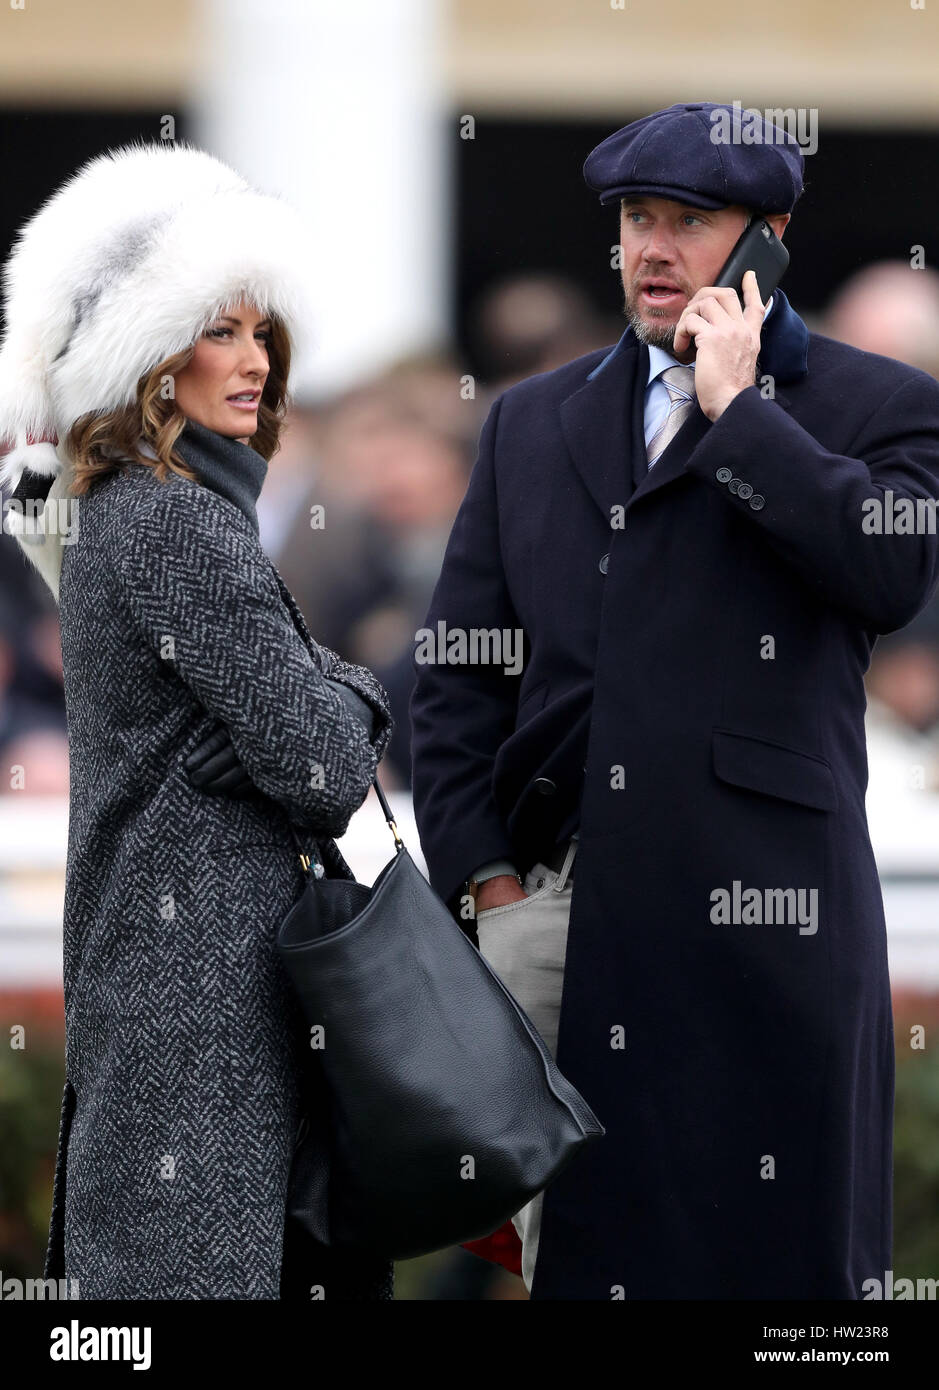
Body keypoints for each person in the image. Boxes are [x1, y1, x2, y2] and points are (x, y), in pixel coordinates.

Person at [409, 101, 939, 1299]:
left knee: (784, 1280)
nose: (651, 248)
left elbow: (889, 572)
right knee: (583, 1263)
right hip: (562, 922)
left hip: (771, 926)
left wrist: (740, 416)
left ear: (770, 238)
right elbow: (456, 678)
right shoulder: (532, 423)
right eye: (636, 220)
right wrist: (493, 886)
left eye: (689, 223)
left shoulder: (876, 405)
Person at [0, 142, 394, 1300]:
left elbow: (286, 736)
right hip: (206, 1014)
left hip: (180, 992)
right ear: (144, 356)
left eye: (259, 329)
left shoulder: (132, 512)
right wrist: (357, 690)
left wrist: (293, 706)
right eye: (216, 330)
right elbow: (323, 765)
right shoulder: (177, 523)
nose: (254, 359)